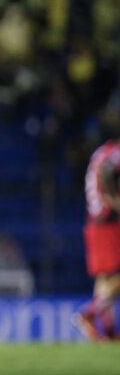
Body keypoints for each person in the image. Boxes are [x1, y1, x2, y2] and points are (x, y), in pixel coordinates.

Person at [75, 139, 120, 340]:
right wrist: (115, 200)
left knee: (105, 279)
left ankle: (109, 331)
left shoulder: (101, 151)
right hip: (108, 221)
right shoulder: (114, 153)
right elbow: (108, 170)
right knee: (116, 277)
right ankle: (89, 313)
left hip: (94, 221)